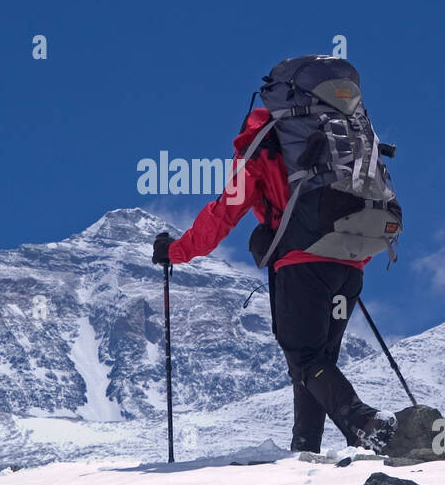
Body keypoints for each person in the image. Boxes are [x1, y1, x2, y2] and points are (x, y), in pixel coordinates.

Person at [151, 107, 398, 455]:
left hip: (303, 268)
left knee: (305, 358)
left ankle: (362, 423)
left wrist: (175, 251)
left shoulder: (263, 148)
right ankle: (305, 449)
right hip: (350, 267)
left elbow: (223, 213)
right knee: (316, 361)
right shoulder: (337, 142)